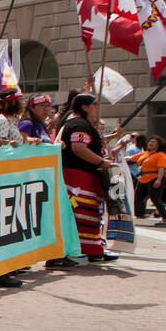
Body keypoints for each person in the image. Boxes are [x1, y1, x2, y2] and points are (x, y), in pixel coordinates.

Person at [60, 93, 120, 263]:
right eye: (94, 105)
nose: (96, 109)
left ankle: (93, 249)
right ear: (84, 107)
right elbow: (78, 148)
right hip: (78, 177)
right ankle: (81, 250)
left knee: (91, 214)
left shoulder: (83, 124)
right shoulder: (78, 124)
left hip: (86, 176)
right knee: (82, 214)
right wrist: (102, 161)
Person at [132, 135, 166, 224]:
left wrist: (159, 180)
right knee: (138, 198)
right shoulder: (145, 153)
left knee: (155, 199)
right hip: (142, 179)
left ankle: (165, 218)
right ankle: (139, 215)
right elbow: (131, 158)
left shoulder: (161, 155)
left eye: (153, 142)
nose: (150, 143)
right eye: (150, 142)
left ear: (159, 145)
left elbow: (161, 168)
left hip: (154, 179)